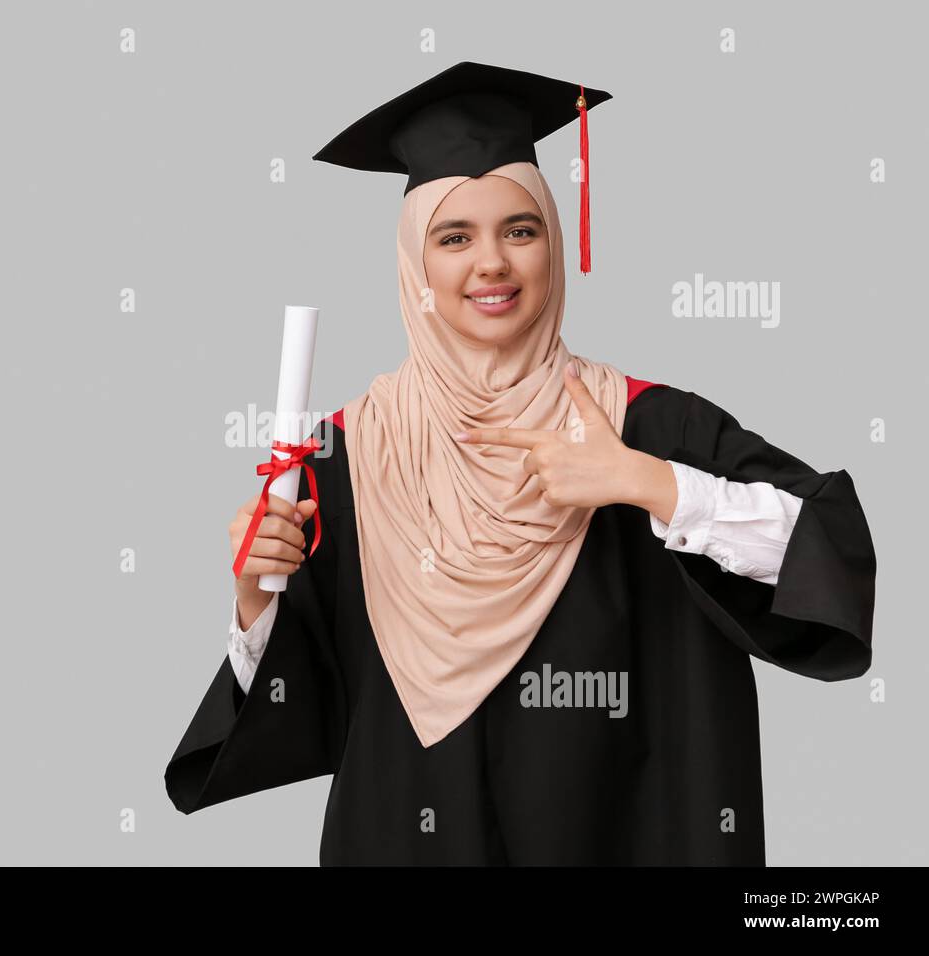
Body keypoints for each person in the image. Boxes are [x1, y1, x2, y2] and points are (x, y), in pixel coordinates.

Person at [164, 62, 876, 865]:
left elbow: (828, 558)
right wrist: (256, 598)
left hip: (621, 831)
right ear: (415, 265)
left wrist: (645, 481)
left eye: (521, 229)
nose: (492, 263)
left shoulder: (650, 421)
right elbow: (306, 704)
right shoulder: (346, 453)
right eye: (454, 237)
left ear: (553, 244)